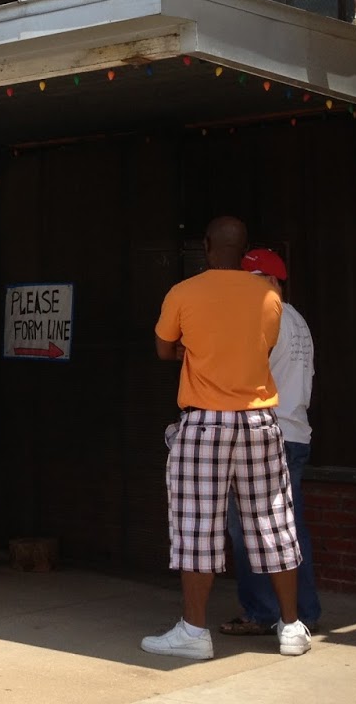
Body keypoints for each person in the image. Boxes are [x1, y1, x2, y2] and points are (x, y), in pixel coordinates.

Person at [144, 216, 308, 660]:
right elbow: (262, 347)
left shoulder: (183, 292)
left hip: (204, 422)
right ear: (245, 249)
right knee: (274, 519)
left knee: (198, 524)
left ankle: (194, 632)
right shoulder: (270, 295)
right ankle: (291, 628)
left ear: (206, 244)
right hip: (259, 422)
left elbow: (164, 348)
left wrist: (190, 348)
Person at [221, 248, 321, 635]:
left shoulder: (263, 317)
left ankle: (263, 612)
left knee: (246, 529)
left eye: (253, 281)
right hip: (295, 431)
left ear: (272, 281)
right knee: (290, 526)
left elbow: (242, 377)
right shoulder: (298, 321)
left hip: (265, 433)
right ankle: (303, 612)